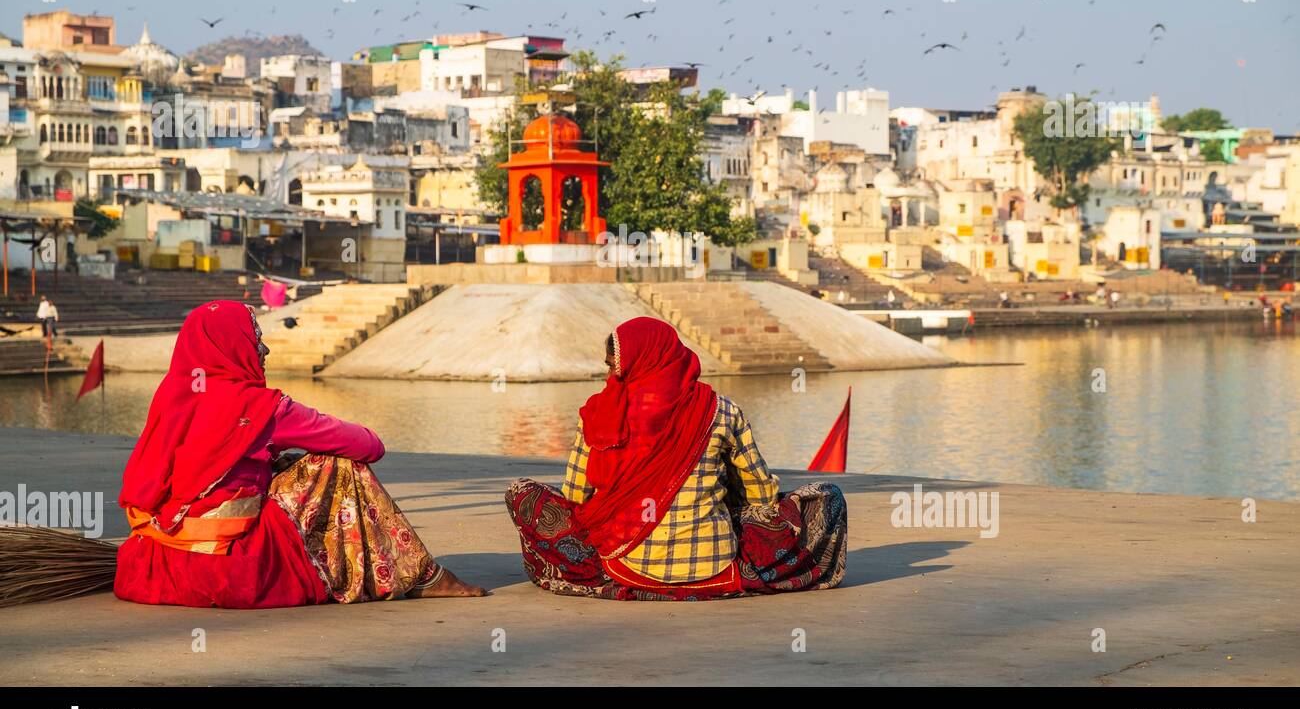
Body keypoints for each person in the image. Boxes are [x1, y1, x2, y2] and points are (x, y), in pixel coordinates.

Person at [114, 300, 485, 608]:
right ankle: (418, 574)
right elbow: (370, 446)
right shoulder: (261, 408)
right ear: (232, 346)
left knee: (282, 465)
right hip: (232, 571)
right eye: (254, 339)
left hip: (154, 563)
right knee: (336, 465)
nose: (264, 349)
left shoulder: (170, 397)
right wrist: (286, 446)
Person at [504, 317, 847, 601]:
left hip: (623, 565)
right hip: (714, 565)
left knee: (523, 493)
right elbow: (761, 493)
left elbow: (575, 497)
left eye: (615, 368)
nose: (613, 377)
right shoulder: (720, 409)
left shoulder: (597, 415)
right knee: (826, 496)